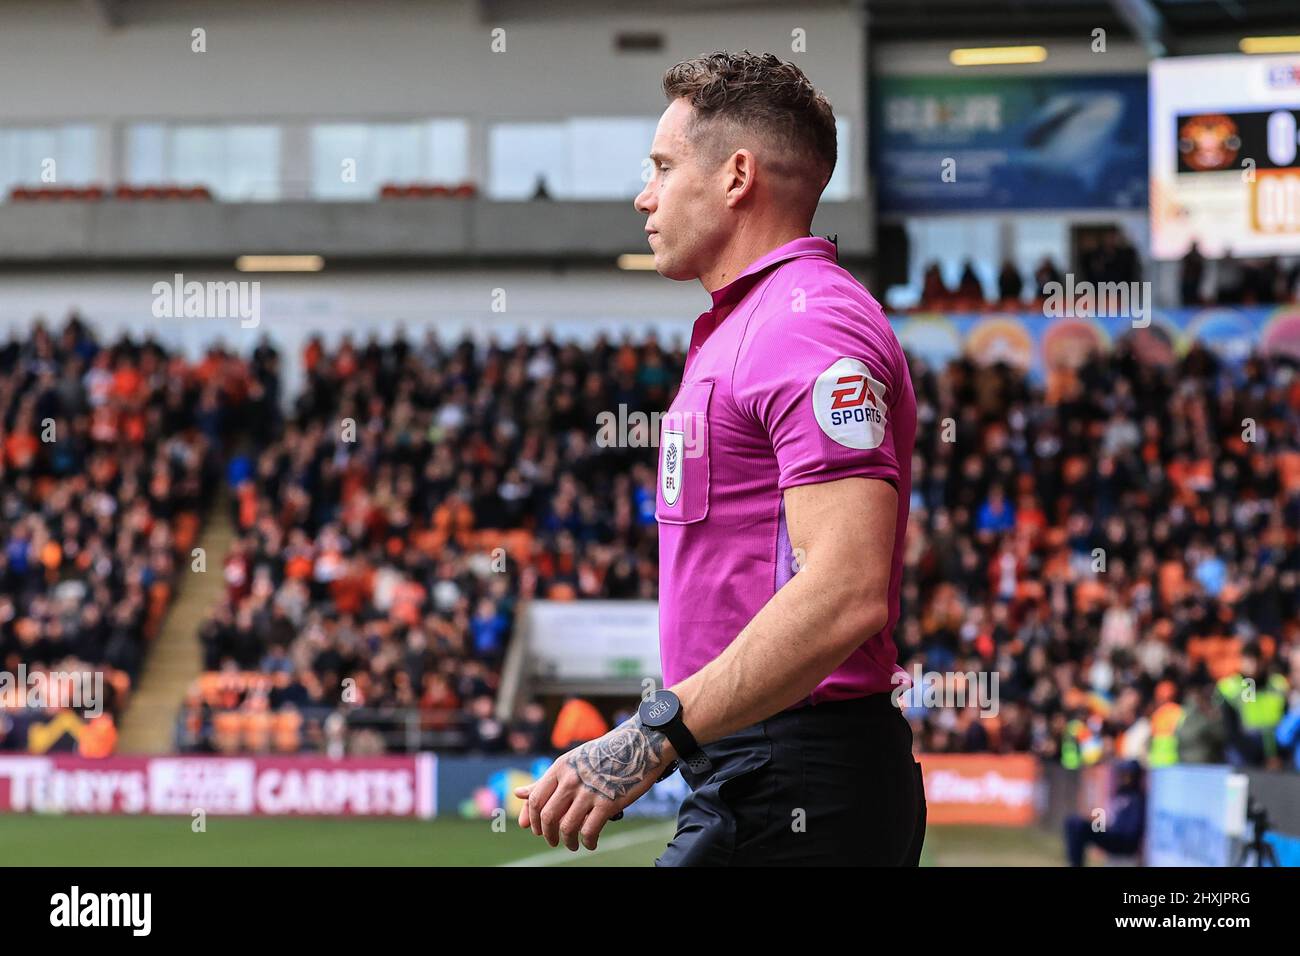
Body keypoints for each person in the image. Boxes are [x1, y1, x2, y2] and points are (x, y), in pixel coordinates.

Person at [514, 51, 925, 865]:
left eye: (663, 167)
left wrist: (645, 739)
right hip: (764, 773)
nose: (644, 194)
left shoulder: (804, 325)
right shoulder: (752, 323)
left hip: (795, 779)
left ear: (737, 176)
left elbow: (845, 592)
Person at [1064, 760, 1146, 866]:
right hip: (1112, 835)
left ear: (1135, 776)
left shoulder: (1138, 799)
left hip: (1124, 843)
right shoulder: (1120, 794)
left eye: (1127, 774)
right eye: (1123, 774)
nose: (1124, 778)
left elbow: (1132, 831)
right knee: (1074, 823)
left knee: (1079, 825)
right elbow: (1109, 818)